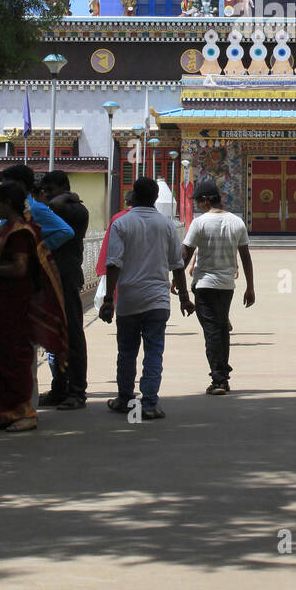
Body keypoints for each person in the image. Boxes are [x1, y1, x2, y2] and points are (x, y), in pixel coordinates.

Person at [0, 182, 67, 433]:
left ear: (8, 203)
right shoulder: (7, 229)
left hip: (12, 307)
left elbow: (20, 269)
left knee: (14, 361)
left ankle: (25, 412)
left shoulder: (20, 232)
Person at [100, 177, 192, 420]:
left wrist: (109, 299)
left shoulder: (122, 224)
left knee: (127, 352)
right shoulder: (167, 225)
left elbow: (113, 263)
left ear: (134, 195)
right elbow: (177, 265)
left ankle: (125, 399)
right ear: (154, 198)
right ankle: (149, 403)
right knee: (154, 352)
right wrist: (184, 297)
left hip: (129, 299)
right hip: (158, 299)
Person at [181, 178, 254, 395]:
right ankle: (222, 374)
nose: (196, 205)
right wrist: (250, 286)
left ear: (205, 200)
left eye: (197, 201)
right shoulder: (236, 222)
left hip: (204, 284)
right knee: (221, 328)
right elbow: (245, 256)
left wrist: (177, 281)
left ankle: (219, 379)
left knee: (212, 331)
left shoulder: (199, 223)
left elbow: (185, 253)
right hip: (226, 285)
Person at [37, 170, 89, 410]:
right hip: (53, 277)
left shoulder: (74, 210)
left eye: (50, 191)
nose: (45, 196)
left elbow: (54, 208)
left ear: (62, 189)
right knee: (56, 334)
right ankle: (60, 387)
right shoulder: (65, 206)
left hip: (65, 276)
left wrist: (62, 199)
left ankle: (76, 391)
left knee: (72, 334)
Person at [1, 164, 75, 257]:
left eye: (6, 185)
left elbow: (66, 231)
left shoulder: (35, 208)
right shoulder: (12, 208)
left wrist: (36, 250)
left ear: (19, 184)